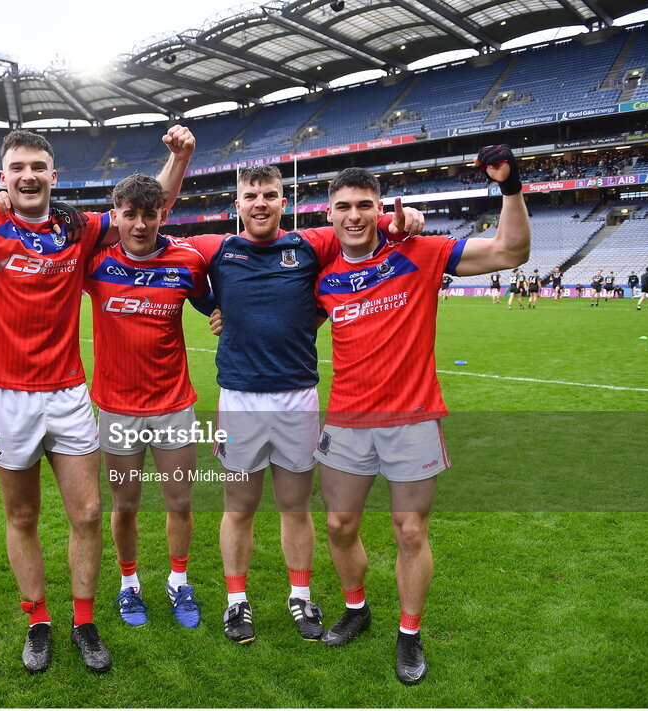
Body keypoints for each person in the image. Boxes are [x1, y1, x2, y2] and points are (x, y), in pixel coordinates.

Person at [0, 64, 195, 675]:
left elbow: (147, 210)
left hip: (69, 394)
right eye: (17, 167)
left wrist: (177, 159)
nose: (28, 176)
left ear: (54, 175)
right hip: (7, 397)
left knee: (89, 513)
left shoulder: (79, 228)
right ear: (2, 178)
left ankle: (83, 621)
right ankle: (38, 620)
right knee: (21, 516)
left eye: (38, 167)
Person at [312, 148, 530, 685]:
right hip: (346, 420)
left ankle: (409, 634)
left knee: (410, 531)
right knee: (339, 525)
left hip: (412, 417)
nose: (355, 216)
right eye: (344, 206)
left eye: (365, 205)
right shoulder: (322, 276)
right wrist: (222, 314)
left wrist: (510, 186)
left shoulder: (421, 252)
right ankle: (357, 608)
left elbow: (511, 251)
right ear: (329, 214)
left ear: (379, 207)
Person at [193, 165, 423, 645]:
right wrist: (217, 308)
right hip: (239, 398)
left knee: (294, 506)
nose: (260, 203)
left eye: (269, 195)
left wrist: (399, 220)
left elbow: (359, 224)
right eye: (251, 195)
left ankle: (300, 596)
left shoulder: (309, 244)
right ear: (237, 204)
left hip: (297, 396)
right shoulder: (217, 248)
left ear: (284, 203)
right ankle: (236, 602)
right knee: (239, 506)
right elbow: (171, 263)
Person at [84, 173, 214, 630]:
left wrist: (223, 314)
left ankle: (179, 581)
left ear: (164, 214)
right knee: (125, 505)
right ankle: (129, 583)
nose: (140, 225)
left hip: (173, 406)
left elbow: (209, 301)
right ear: (115, 216)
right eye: (130, 214)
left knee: (180, 501)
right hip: (117, 409)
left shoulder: (187, 260)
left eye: (149, 214)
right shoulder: (95, 262)